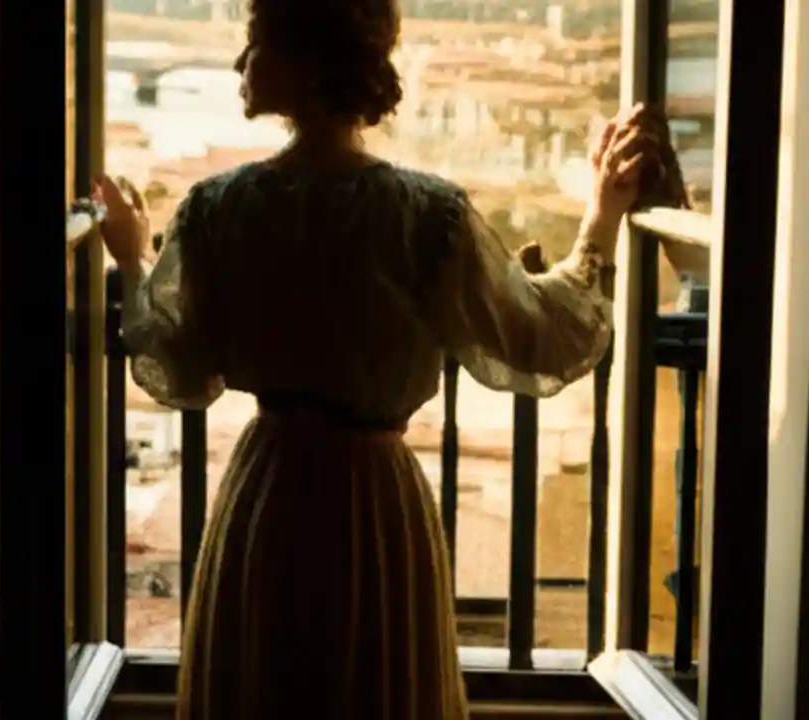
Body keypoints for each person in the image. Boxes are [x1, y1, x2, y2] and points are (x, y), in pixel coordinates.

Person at [96, 2, 658, 717]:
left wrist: (130, 256)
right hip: (375, 507)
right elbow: (543, 336)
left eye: (255, 43)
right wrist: (600, 222)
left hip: (266, 500)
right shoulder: (427, 216)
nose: (241, 64)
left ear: (306, 62)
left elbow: (179, 365)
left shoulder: (218, 210)